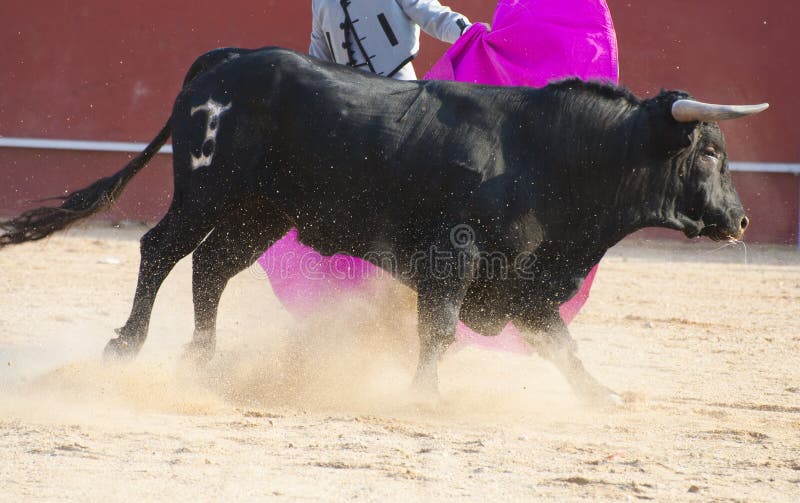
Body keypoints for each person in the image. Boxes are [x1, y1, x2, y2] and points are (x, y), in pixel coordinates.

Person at [309, 0, 473, 80]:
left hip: (398, 85)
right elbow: (317, 58)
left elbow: (430, 12)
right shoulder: (320, 2)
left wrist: (467, 31)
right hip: (348, 98)